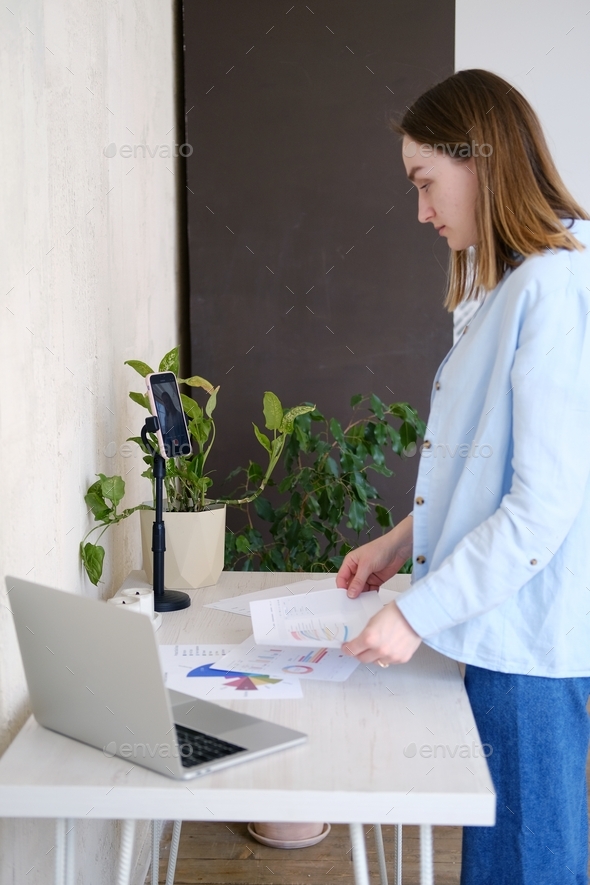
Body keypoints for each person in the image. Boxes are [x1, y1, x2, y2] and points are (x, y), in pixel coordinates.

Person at [337, 69, 590, 885]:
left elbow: (541, 505)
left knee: (527, 867)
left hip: (529, 647)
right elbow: (485, 466)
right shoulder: (505, 288)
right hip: (499, 630)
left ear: (481, 161)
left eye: (426, 183)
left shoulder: (552, 290)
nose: (421, 211)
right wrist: (398, 541)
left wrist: (414, 613)